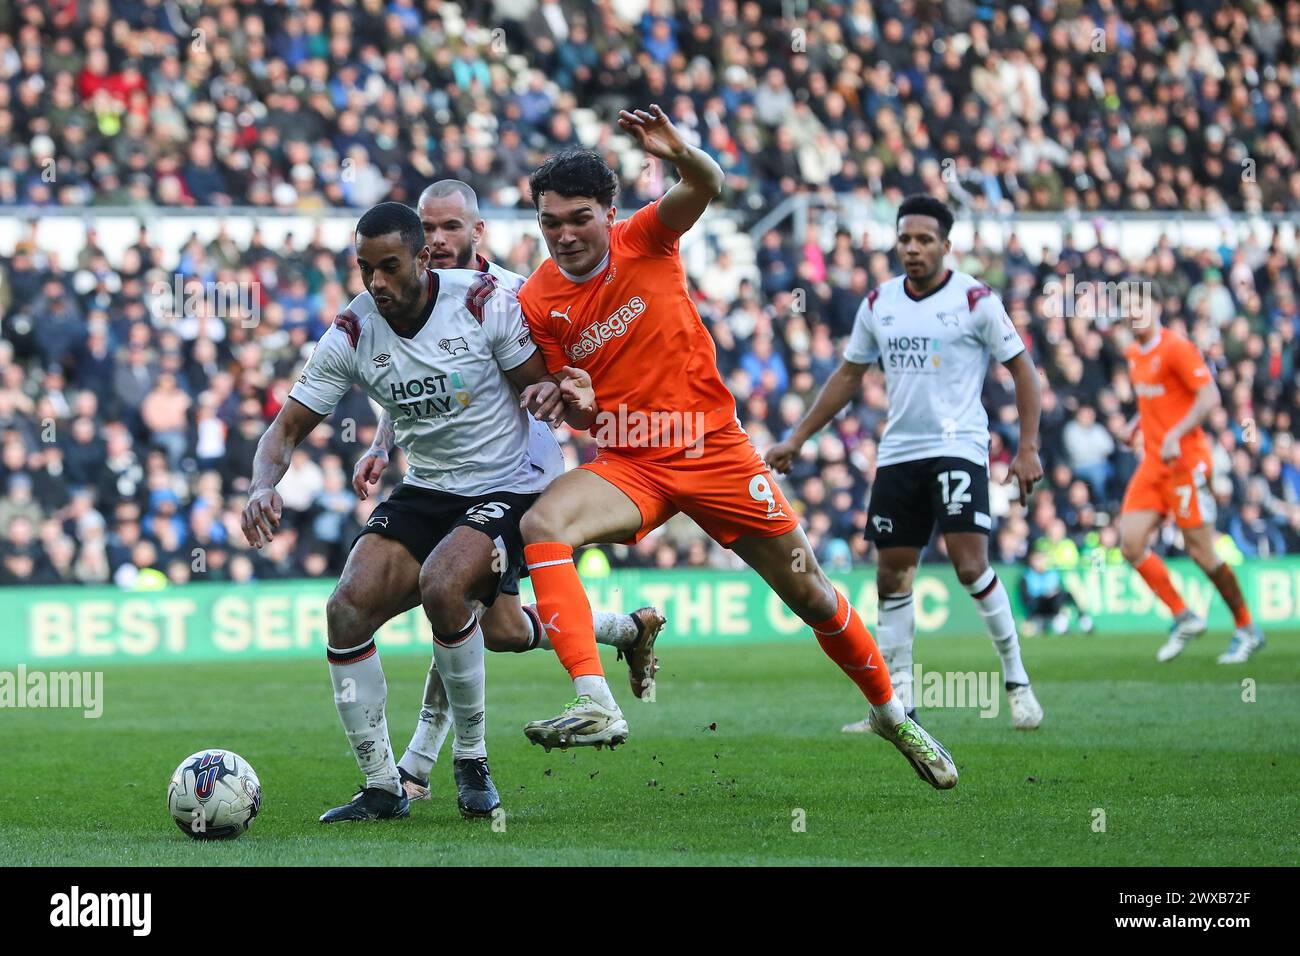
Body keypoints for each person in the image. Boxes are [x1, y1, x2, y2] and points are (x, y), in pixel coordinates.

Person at [514, 107, 958, 789]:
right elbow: (577, 408)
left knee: (809, 592)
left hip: (711, 450)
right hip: (631, 459)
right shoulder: (539, 300)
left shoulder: (648, 237)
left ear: (610, 211)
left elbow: (706, 184)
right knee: (542, 524)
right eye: (550, 223)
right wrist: (570, 396)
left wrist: (680, 152)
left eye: (579, 218)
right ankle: (595, 703)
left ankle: (892, 715)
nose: (565, 235)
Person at [241, 201, 592, 822]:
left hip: (509, 484)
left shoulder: (482, 302)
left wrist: (554, 392)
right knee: (346, 610)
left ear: (424, 258)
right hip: (430, 488)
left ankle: (472, 759)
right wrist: (262, 485)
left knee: (444, 584)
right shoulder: (352, 332)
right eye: (364, 268)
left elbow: (540, 386)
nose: (376, 282)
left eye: (389, 267)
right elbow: (284, 429)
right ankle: (382, 786)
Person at [350, 181, 664, 803]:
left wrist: (573, 399)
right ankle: (627, 629)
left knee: (450, 592)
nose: (437, 240)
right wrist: (383, 442)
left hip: (516, 480)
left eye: (450, 228)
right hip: (442, 483)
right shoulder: (409, 303)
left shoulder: (513, 296)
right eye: (428, 229)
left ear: (477, 232)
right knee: (501, 632)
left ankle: (421, 764)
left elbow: (554, 376)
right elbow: (419, 380)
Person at [768, 194, 1047, 732]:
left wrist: (1028, 447)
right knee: (892, 577)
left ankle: (1017, 682)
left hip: (958, 447)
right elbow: (848, 376)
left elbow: (1023, 370)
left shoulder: (975, 300)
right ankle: (898, 707)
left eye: (923, 240)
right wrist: (798, 437)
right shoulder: (879, 303)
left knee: (970, 566)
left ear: (946, 245)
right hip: (899, 455)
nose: (912, 249)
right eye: (904, 240)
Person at [1115, 287, 1265, 663]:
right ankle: (1184, 616)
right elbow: (1154, 401)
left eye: (1140, 305)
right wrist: (1135, 427)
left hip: (1185, 463)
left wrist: (1175, 434)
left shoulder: (1176, 348)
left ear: (1157, 307)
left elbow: (1209, 397)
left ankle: (1247, 627)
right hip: (1152, 465)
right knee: (1130, 543)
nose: (1133, 313)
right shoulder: (1134, 354)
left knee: (1201, 552)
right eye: (1128, 307)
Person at [1018, 546, 1094, 636]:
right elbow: (1026, 598)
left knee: (1066, 595)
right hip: (1038, 605)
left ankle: (1082, 620)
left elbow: (1059, 589)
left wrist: (1053, 593)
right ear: (1031, 561)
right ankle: (1058, 623)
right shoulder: (1027, 576)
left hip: (1053, 602)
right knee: (1050, 600)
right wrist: (1044, 595)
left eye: (1042, 559)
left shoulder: (1052, 574)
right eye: (1037, 559)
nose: (1041, 562)